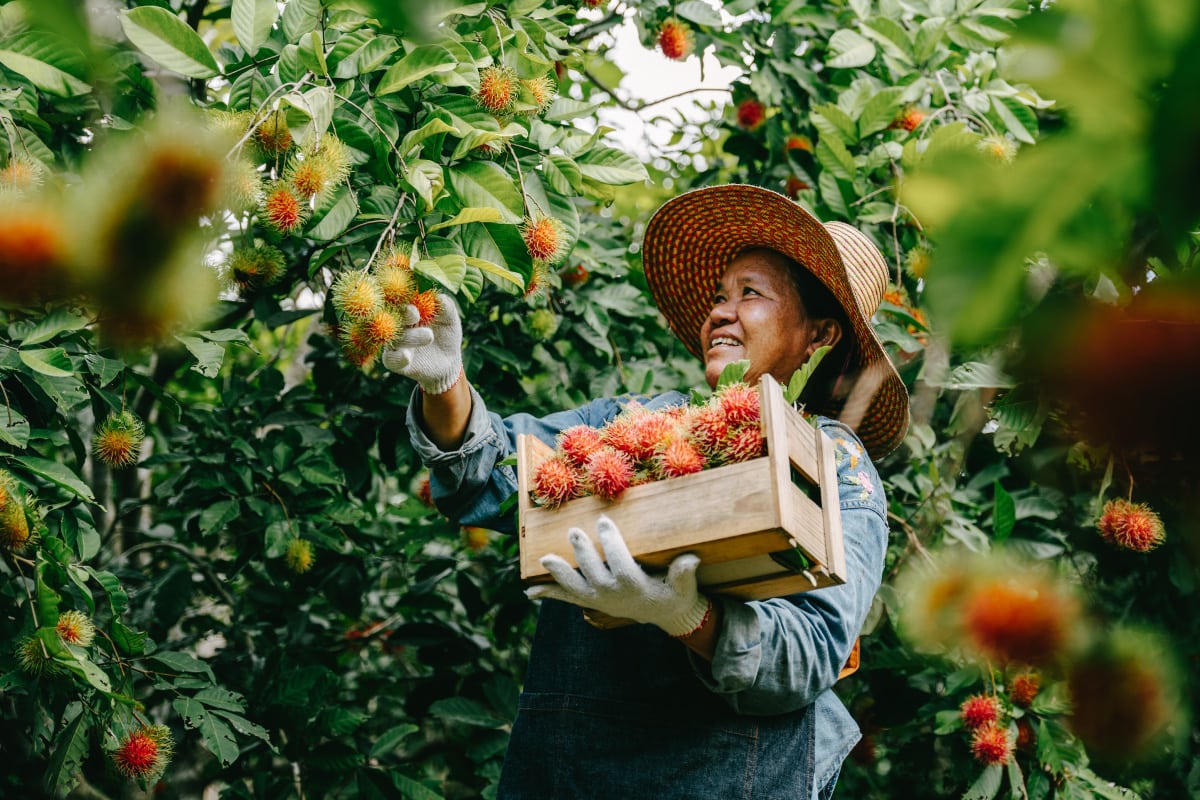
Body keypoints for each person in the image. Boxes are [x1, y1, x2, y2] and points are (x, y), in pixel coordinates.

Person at [384, 184, 909, 799]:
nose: (720, 311)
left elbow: (810, 652)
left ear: (819, 335)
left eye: (751, 294)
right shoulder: (640, 420)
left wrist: (685, 615)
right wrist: (446, 382)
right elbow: (497, 475)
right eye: (719, 295)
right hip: (567, 777)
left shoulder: (835, 466)